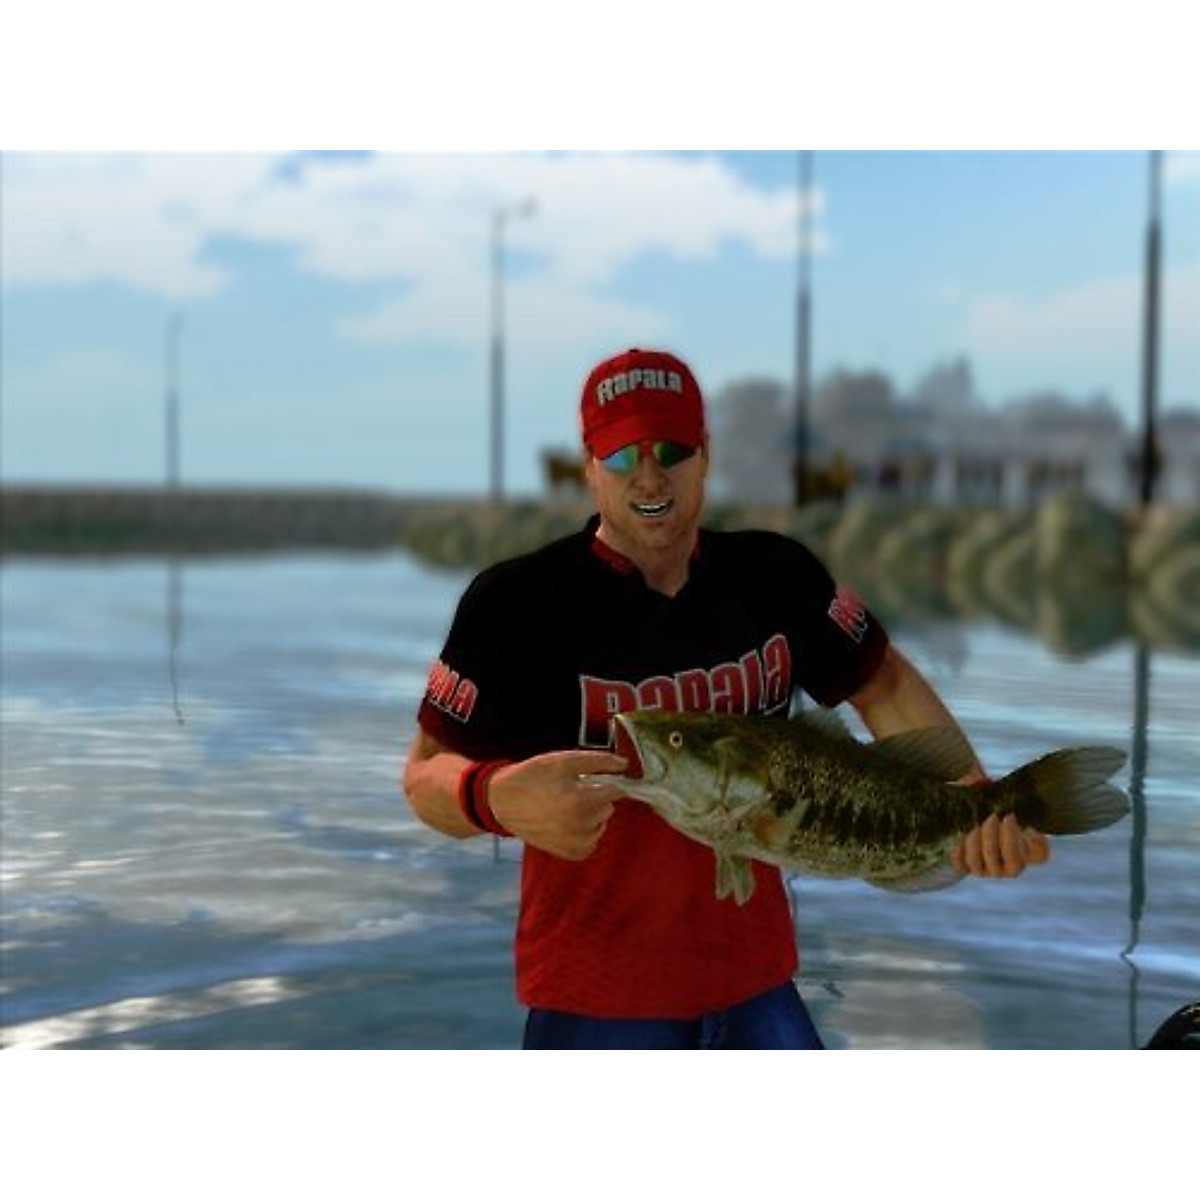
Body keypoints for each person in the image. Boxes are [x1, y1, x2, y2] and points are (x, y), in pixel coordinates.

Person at [402, 347, 1049, 1050]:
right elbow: (424, 774)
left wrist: (975, 800)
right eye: (622, 455)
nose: (650, 476)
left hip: (757, 979)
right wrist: (492, 798)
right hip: (593, 996)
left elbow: (882, 681)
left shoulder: (777, 573)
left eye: (671, 451)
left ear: (705, 454)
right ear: (588, 465)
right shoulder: (514, 603)